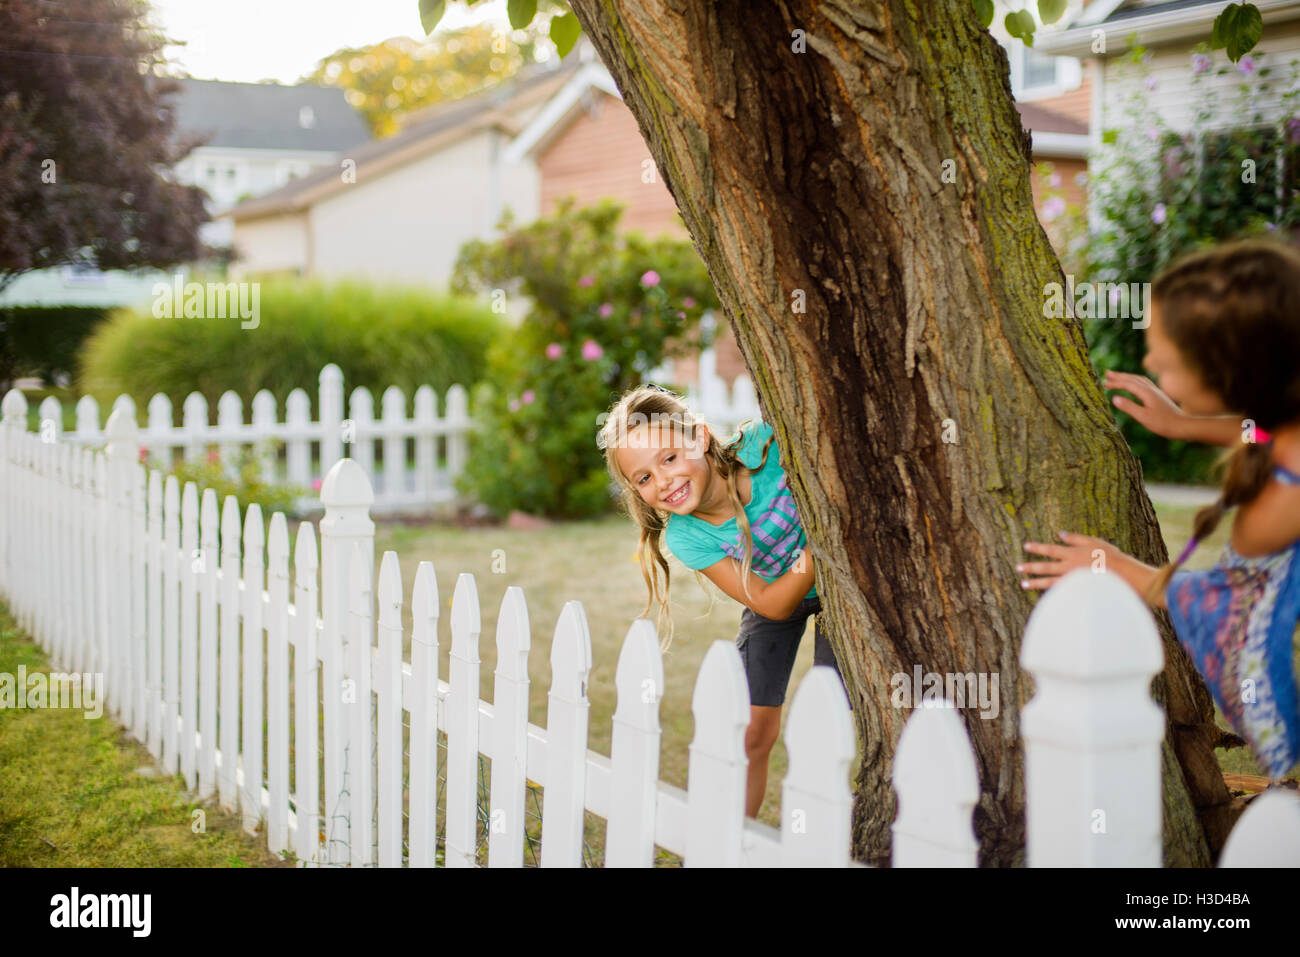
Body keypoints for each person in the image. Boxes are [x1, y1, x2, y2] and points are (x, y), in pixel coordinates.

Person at [1015, 239, 1300, 782]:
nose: (1148, 363)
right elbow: (1263, 428)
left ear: (1229, 370)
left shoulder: (1282, 499)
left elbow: (1234, 619)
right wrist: (1184, 424)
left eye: (1164, 362)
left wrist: (1122, 569)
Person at [599, 384, 849, 817]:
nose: (664, 481)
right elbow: (771, 605)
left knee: (829, 720)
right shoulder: (687, 535)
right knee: (750, 732)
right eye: (644, 478)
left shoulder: (765, 447)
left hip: (842, 594)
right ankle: (735, 843)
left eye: (670, 458)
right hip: (776, 595)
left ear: (699, 437)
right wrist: (816, 547)